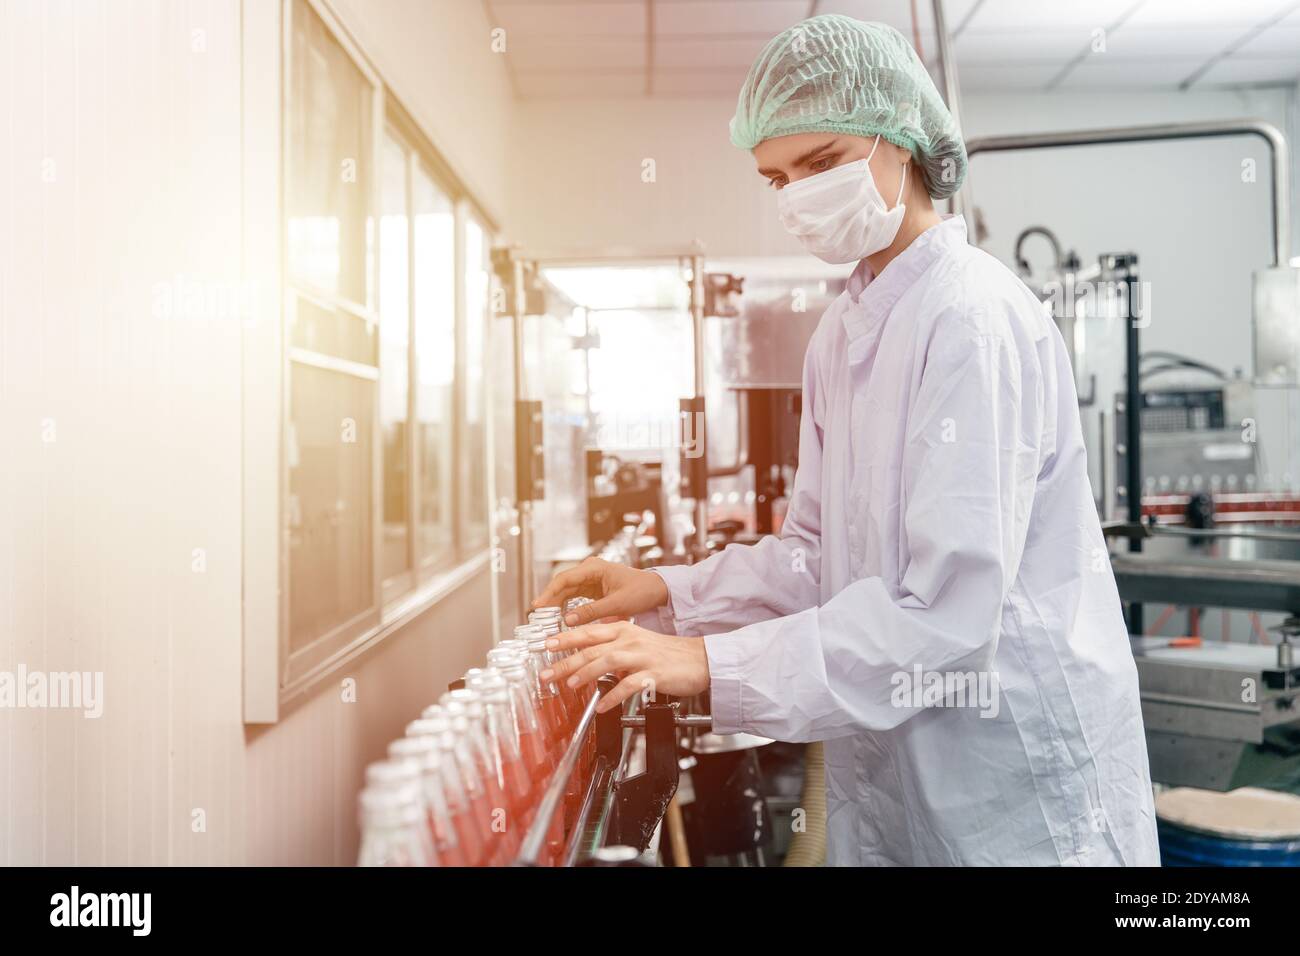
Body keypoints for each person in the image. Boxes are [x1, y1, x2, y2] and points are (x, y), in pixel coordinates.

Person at [535, 14, 1160, 866]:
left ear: (900, 140)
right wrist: (664, 595)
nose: (798, 195)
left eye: (822, 163)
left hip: (1012, 774)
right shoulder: (846, 329)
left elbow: (944, 618)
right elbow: (813, 558)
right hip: (904, 772)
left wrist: (709, 664)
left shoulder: (971, 318)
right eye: (776, 179)